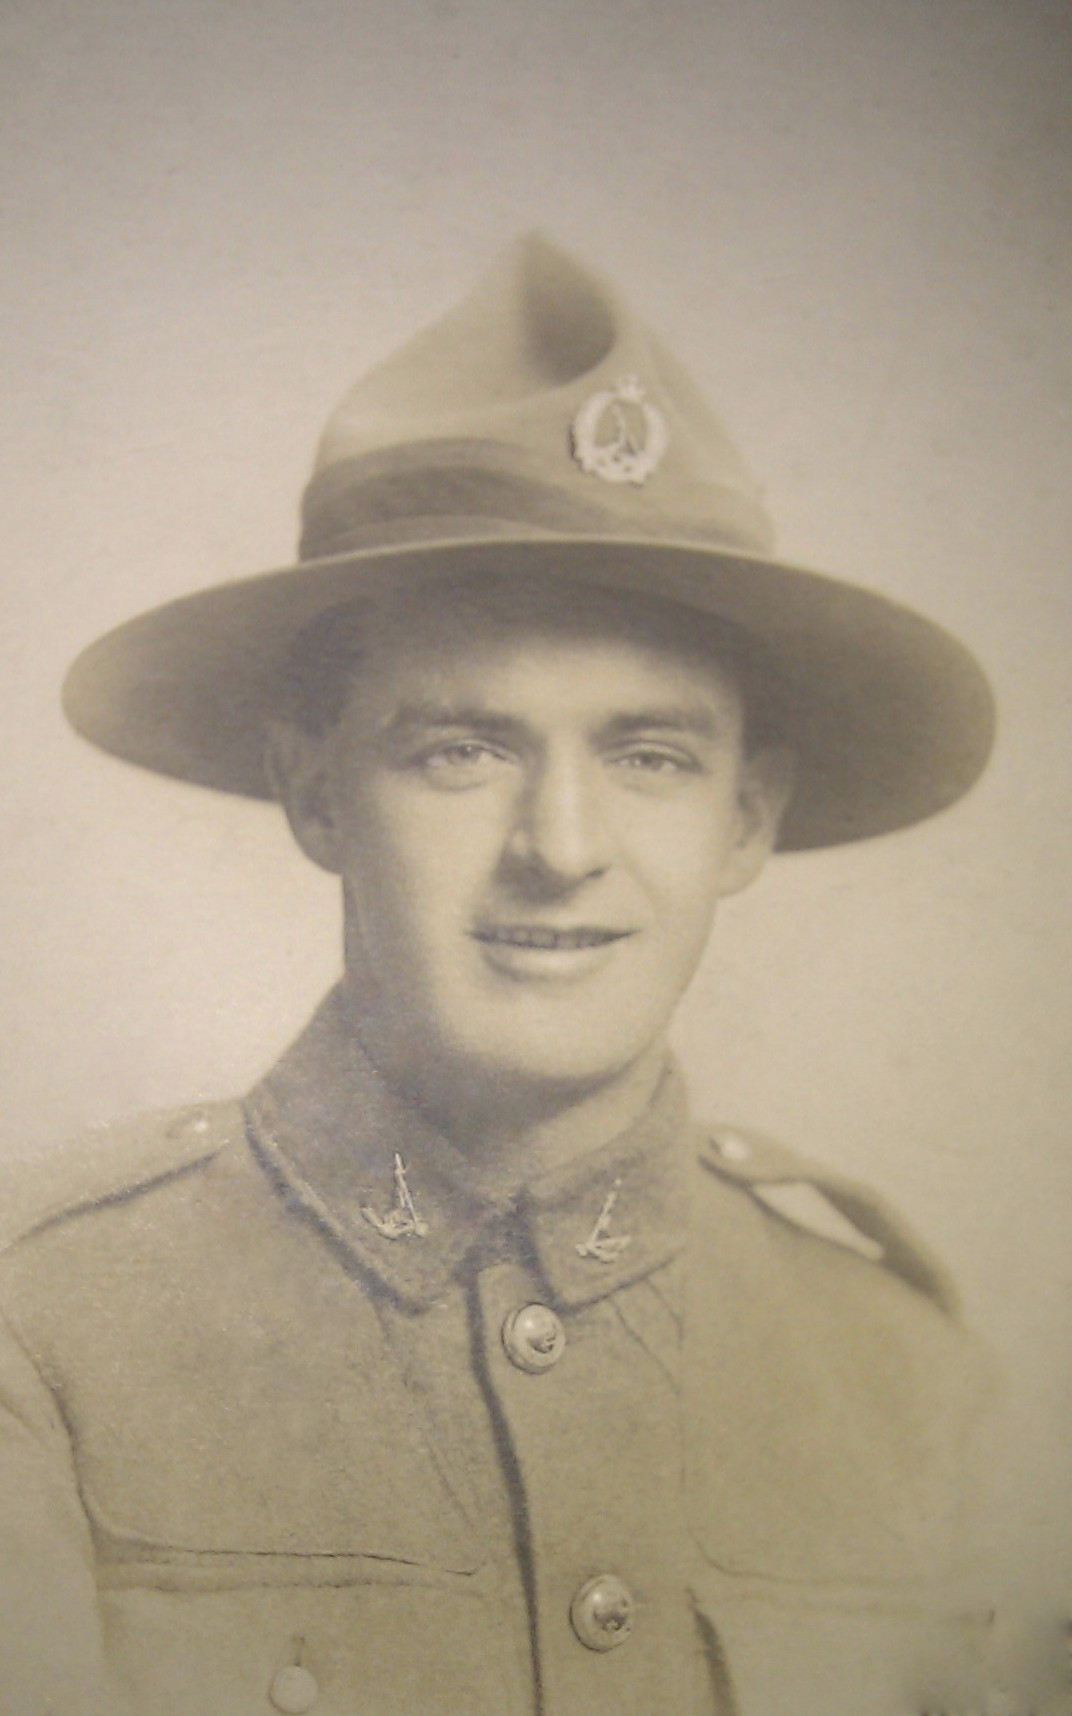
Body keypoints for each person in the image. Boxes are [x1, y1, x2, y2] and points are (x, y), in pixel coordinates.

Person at [0, 235, 1006, 1715]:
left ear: (747, 820)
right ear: (319, 794)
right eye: (461, 750)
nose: (562, 846)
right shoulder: (52, 1333)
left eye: (651, 757)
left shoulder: (907, 1376)